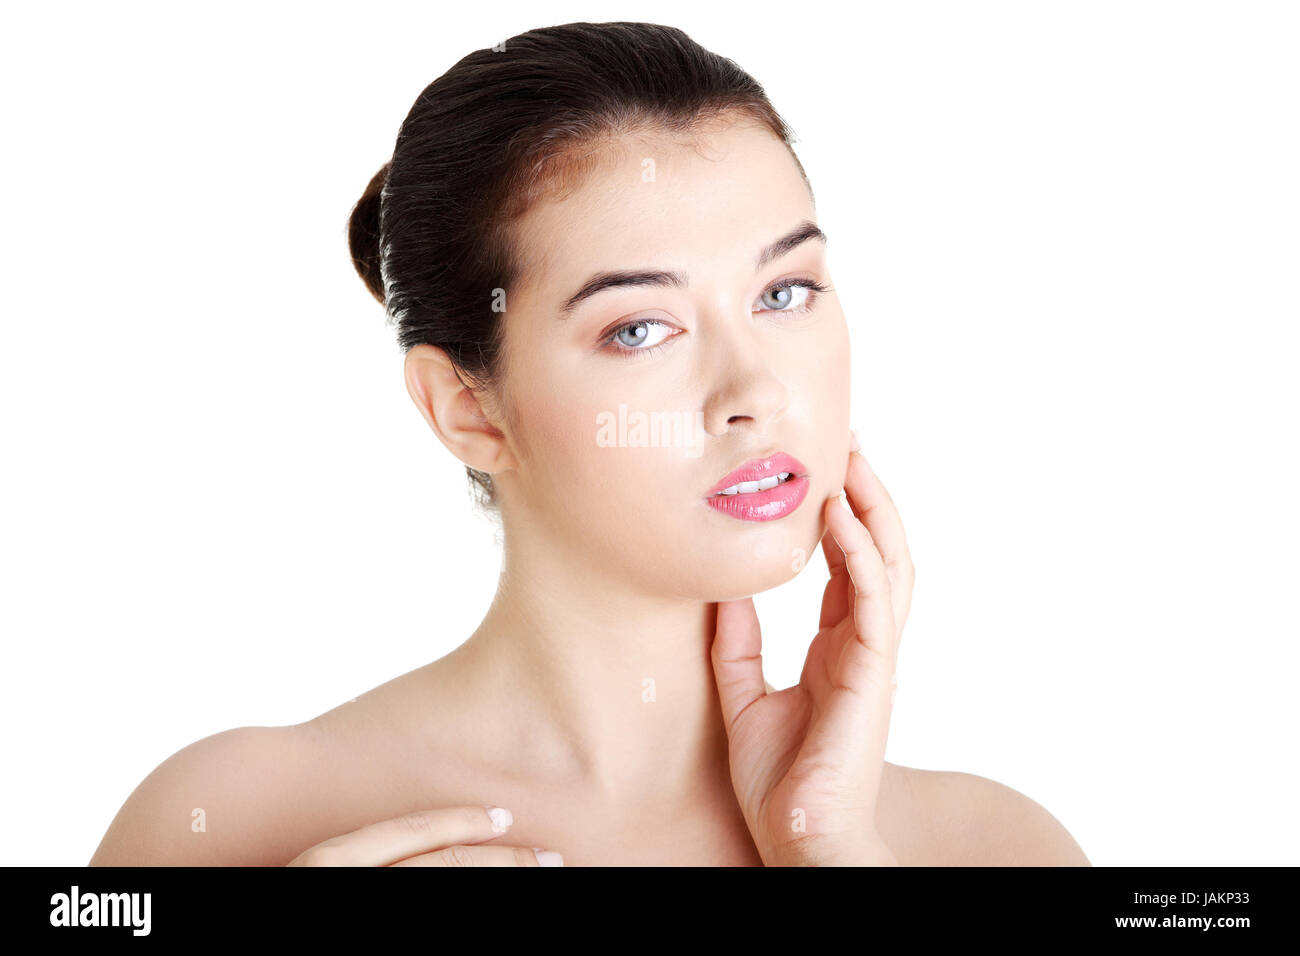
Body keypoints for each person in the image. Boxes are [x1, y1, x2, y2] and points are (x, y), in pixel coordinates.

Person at [90, 20, 1089, 867]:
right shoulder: (227, 819)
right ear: (467, 410)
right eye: (639, 327)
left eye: (784, 291)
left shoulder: (989, 846)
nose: (755, 390)